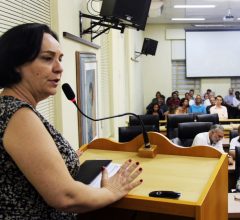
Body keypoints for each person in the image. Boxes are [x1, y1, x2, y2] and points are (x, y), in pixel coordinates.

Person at [0, 23, 143, 219]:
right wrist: (112, 191)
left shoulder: (8, 107)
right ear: (16, 63)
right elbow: (65, 197)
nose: (59, 68)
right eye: (47, 58)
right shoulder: (19, 115)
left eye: (60, 59)